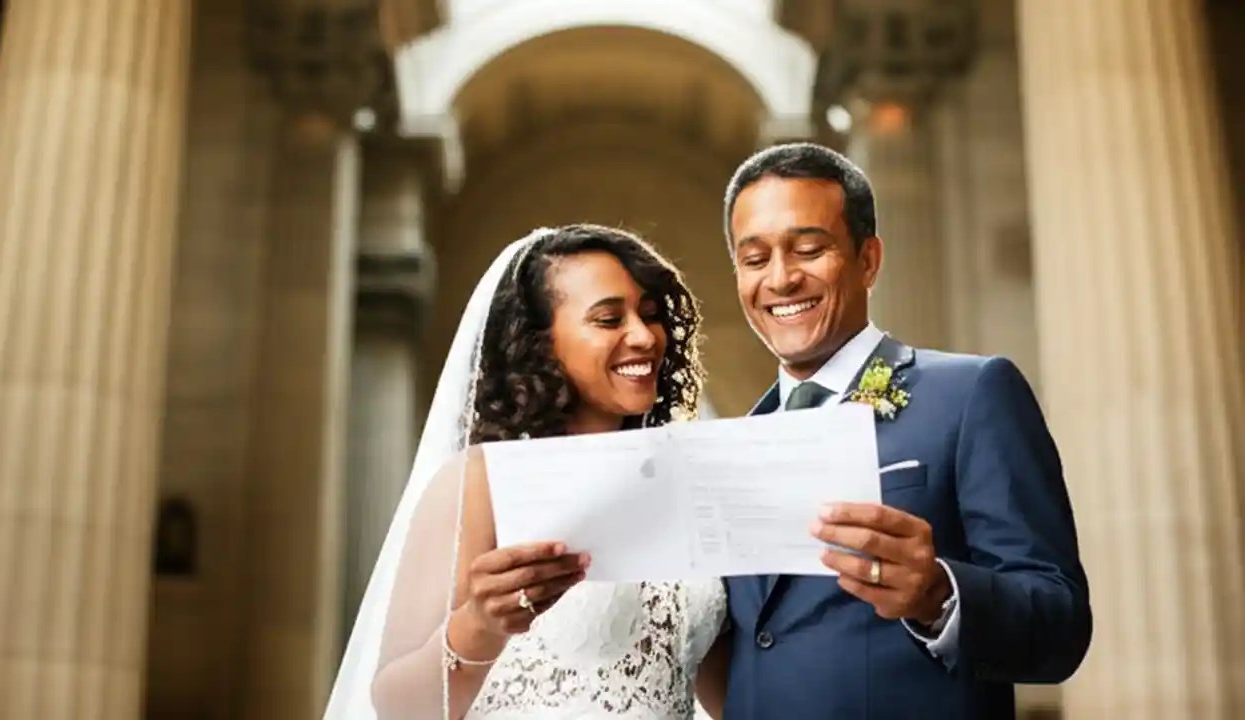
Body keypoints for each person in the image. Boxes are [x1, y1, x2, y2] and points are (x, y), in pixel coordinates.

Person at [713, 143, 1091, 719]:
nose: (782, 278)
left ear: (868, 259)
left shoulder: (971, 394)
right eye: (755, 258)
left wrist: (939, 594)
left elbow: (1060, 623)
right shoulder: (731, 447)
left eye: (809, 249)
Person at [325, 224, 730, 719]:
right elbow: (397, 705)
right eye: (608, 319)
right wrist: (479, 623)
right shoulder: (481, 482)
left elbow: (724, 690)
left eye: (650, 315)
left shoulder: (686, 487)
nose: (645, 337)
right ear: (540, 343)